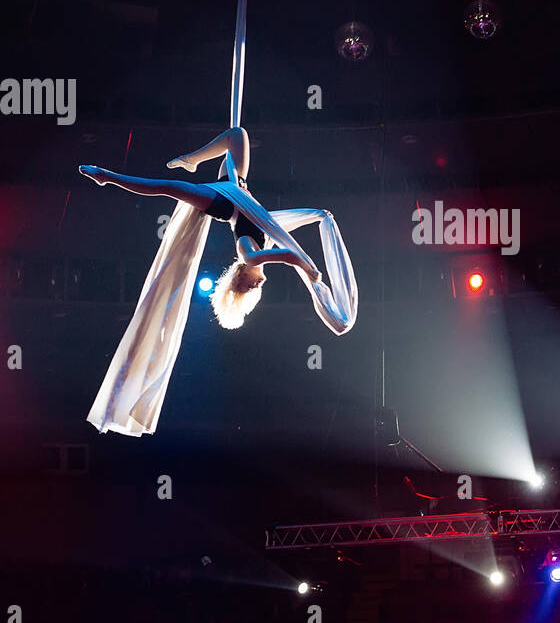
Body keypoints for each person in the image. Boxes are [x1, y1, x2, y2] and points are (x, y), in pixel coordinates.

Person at [81, 127, 357, 435]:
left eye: (252, 287)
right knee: (237, 135)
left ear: (242, 279)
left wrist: (308, 269)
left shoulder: (248, 254)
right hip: (237, 189)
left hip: (225, 203)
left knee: (169, 187)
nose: (259, 285)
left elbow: (286, 256)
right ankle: (193, 160)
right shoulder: (261, 246)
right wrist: (309, 257)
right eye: (257, 289)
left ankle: (108, 176)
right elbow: (281, 244)